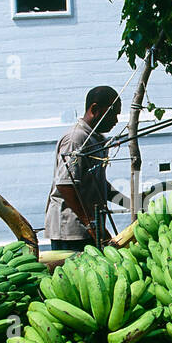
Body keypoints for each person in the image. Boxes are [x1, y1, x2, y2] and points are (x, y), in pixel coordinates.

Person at [45, 86, 122, 250]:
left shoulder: (96, 140)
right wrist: (90, 224)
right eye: (113, 114)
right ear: (94, 109)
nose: (116, 120)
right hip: (72, 231)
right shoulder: (76, 139)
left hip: (90, 227)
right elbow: (65, 185)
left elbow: (98, 184)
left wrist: (130, 202)